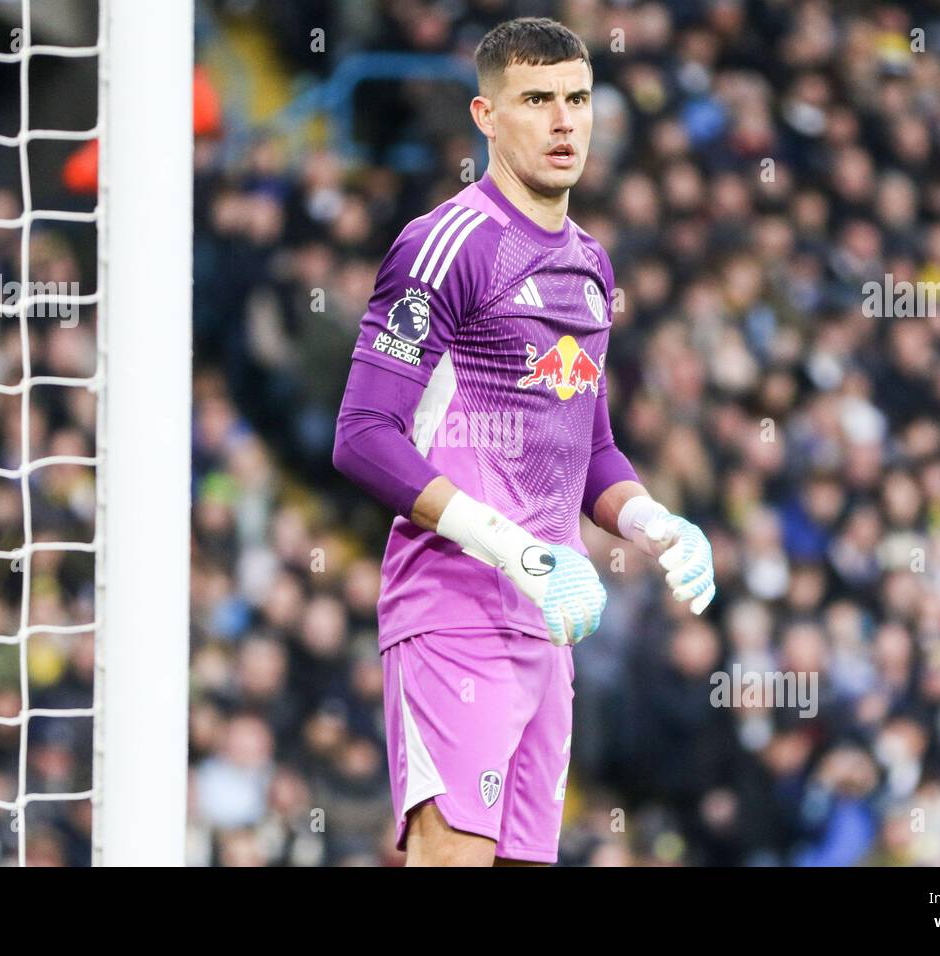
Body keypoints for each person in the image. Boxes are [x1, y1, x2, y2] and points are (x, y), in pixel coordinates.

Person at [332, 16, 716, 867]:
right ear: (485, 116)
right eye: (536, 100)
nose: (563, 121)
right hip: (454, 612)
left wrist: (653, 522)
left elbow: (592, 448)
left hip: (551, 626)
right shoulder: (446, 244)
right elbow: (361, 435)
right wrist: (514, 548)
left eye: (577, 99)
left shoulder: (591, 265)